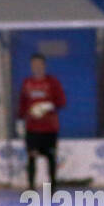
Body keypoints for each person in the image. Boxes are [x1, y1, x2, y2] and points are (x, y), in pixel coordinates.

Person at [18, 52, 65, 191]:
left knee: (50, 157)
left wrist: (47, 106)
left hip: (49, 128)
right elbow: (22, 103)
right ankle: (31, 187)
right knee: (31, 157)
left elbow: (61, 101)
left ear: (44, 66)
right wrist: (20, 120)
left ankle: (52, 186)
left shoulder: (52, 82)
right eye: (34, 65)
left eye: (39, 64)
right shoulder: (27, 83)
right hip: (32, 128)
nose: (36, 67)